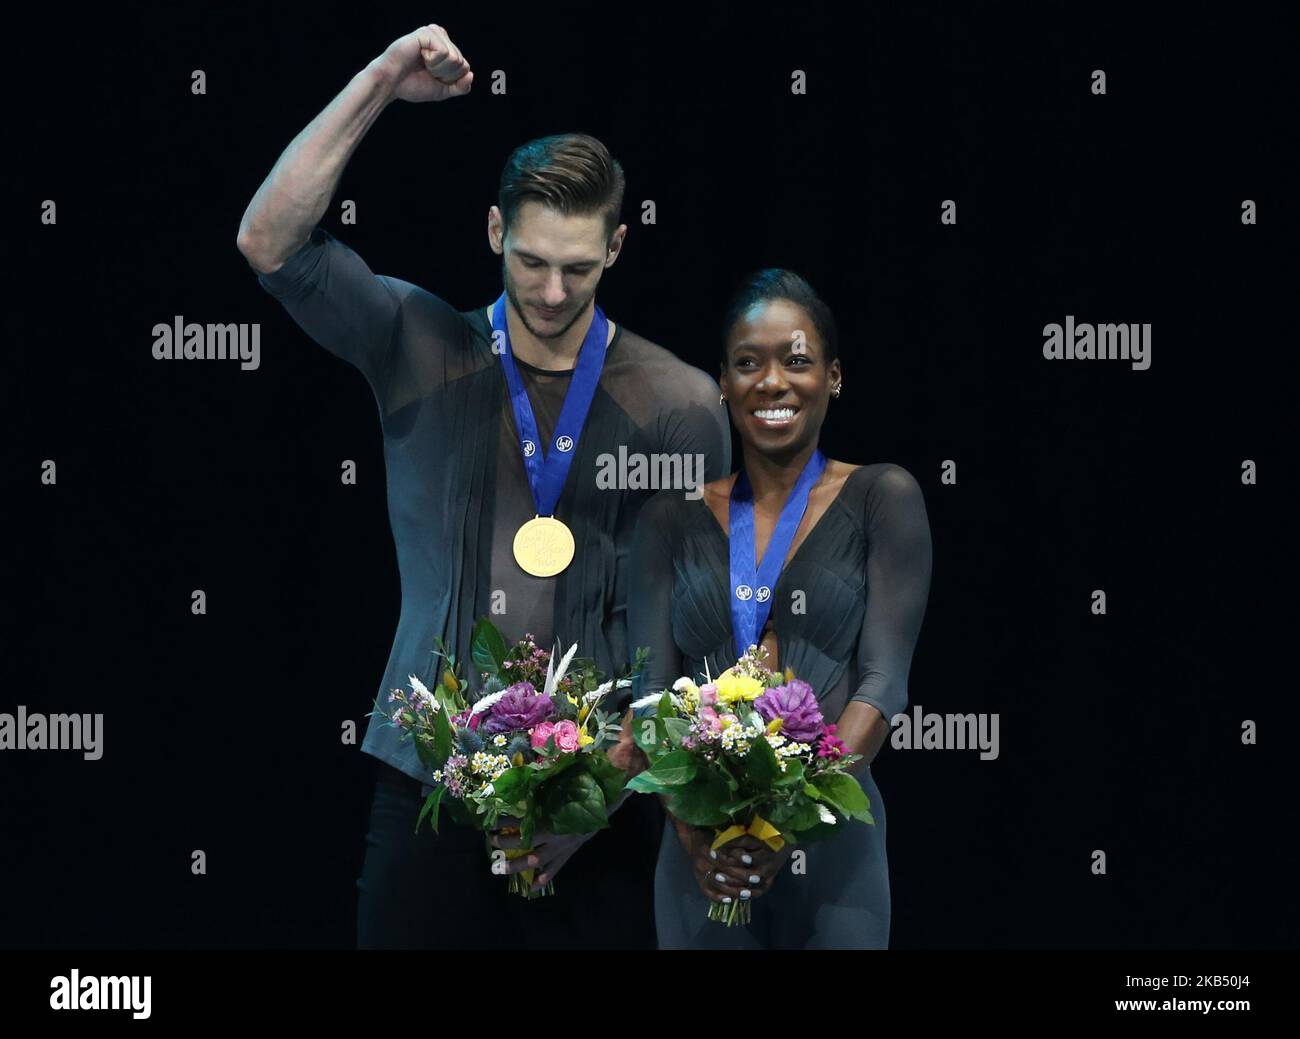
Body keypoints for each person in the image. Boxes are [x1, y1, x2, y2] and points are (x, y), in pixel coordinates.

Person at [236, 24, 730, 949]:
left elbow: (693, 646)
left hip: (602, 808)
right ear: (494, 229)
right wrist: (382, 80)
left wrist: (600, 801)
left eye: (578, 267)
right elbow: (269, 240)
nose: (549, 291)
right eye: (531, 260)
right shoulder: (419, 343)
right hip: (425, 787)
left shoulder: (681, 402)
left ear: (620, 246)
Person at [626, 269, 933, 948]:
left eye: (796, 360)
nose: (772, 382)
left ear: (834, 376)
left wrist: (780, 823)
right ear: (723, 384)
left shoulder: (885, 496)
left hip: (835, 844)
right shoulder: (664, 520)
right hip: (699, 852)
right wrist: (694, 833)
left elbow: (883, 685)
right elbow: (649, 703)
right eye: (747, 363)